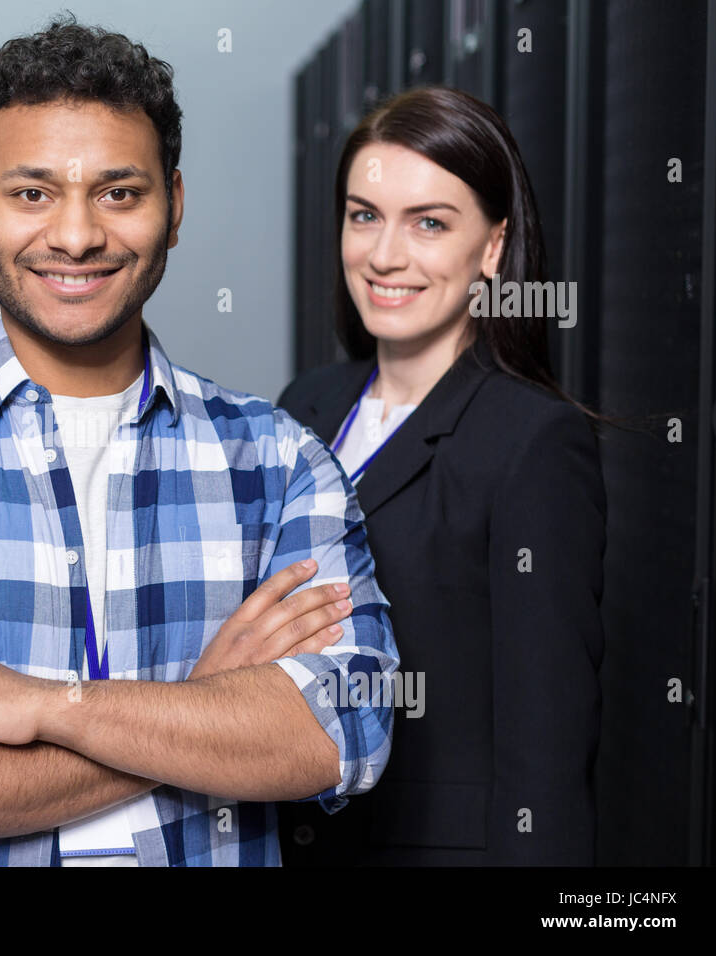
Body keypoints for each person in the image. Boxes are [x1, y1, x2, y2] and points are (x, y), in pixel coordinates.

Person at [0, 16, 398, 867]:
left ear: (173, 207)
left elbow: (344, 735)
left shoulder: (281, 462)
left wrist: (36, 703)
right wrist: (203, 703)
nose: (75, 236)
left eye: (120, 192)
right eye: (31, 193)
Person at [277, 85, 605, 865]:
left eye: (429, 223)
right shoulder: (306, 403)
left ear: (492, 248)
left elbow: (546, 757)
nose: (385, 254)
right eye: (365, 215)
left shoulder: (532, 442)